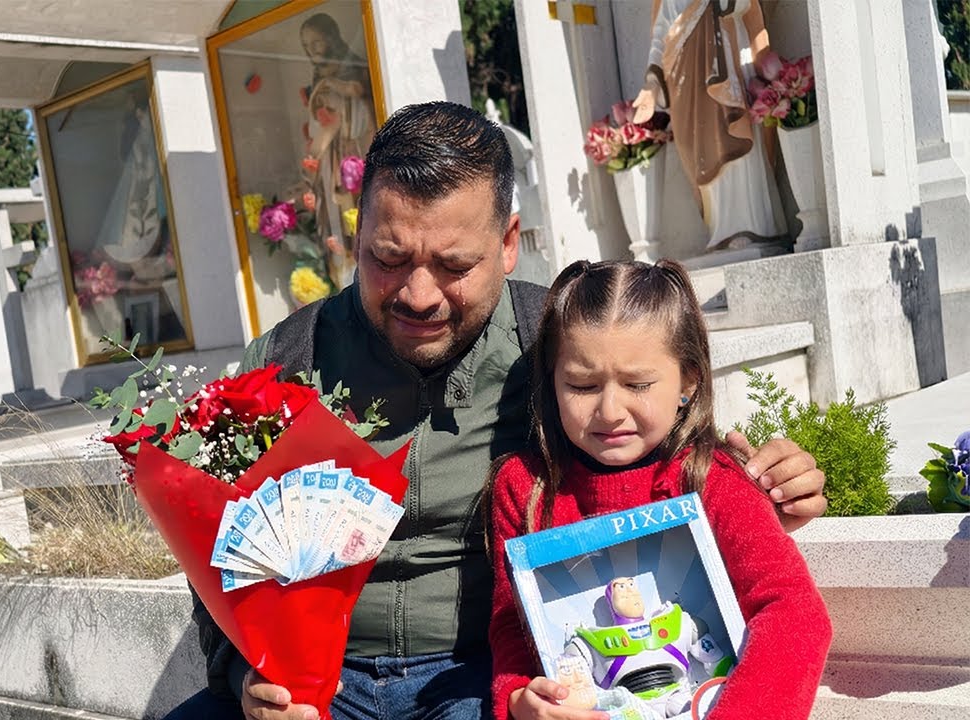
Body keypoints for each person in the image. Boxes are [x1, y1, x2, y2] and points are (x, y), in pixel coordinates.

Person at [166, 101, 826, 720]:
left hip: (476, 681)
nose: (419, 295)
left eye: (454, 265)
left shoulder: (560, 345)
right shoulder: (281, 360)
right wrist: (248, 675)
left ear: (509, 243)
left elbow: (664, 446)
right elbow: (217, 544)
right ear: (356, 233)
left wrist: (771, 482)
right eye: (388, 259)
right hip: (321, 683)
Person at [487, 260, 831, 720]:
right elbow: (512, 623)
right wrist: (517, 698)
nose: (610, 410)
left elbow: (794, 611)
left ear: (688, 381)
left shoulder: (712, 480)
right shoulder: (523, 488)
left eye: (638, 384)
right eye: (581, 385)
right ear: (551, 379)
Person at [631, 0, 785, 250]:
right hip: (689, 81)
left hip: (729, 58)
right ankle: (723, 230)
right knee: (704, 147)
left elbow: (744, 6)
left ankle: (755, 224)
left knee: (739, 141)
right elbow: (661, 34)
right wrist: (651, 83)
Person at [298, 12, 376, 289]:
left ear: (331, 38)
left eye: (316, 43)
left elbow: (338, 116)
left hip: (350, 154)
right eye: (307, 46)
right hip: (335, 159)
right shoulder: (322, 76)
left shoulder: (348, 69)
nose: (312, 51)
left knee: (351, 209)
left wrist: (312, 158)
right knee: (340, 216)